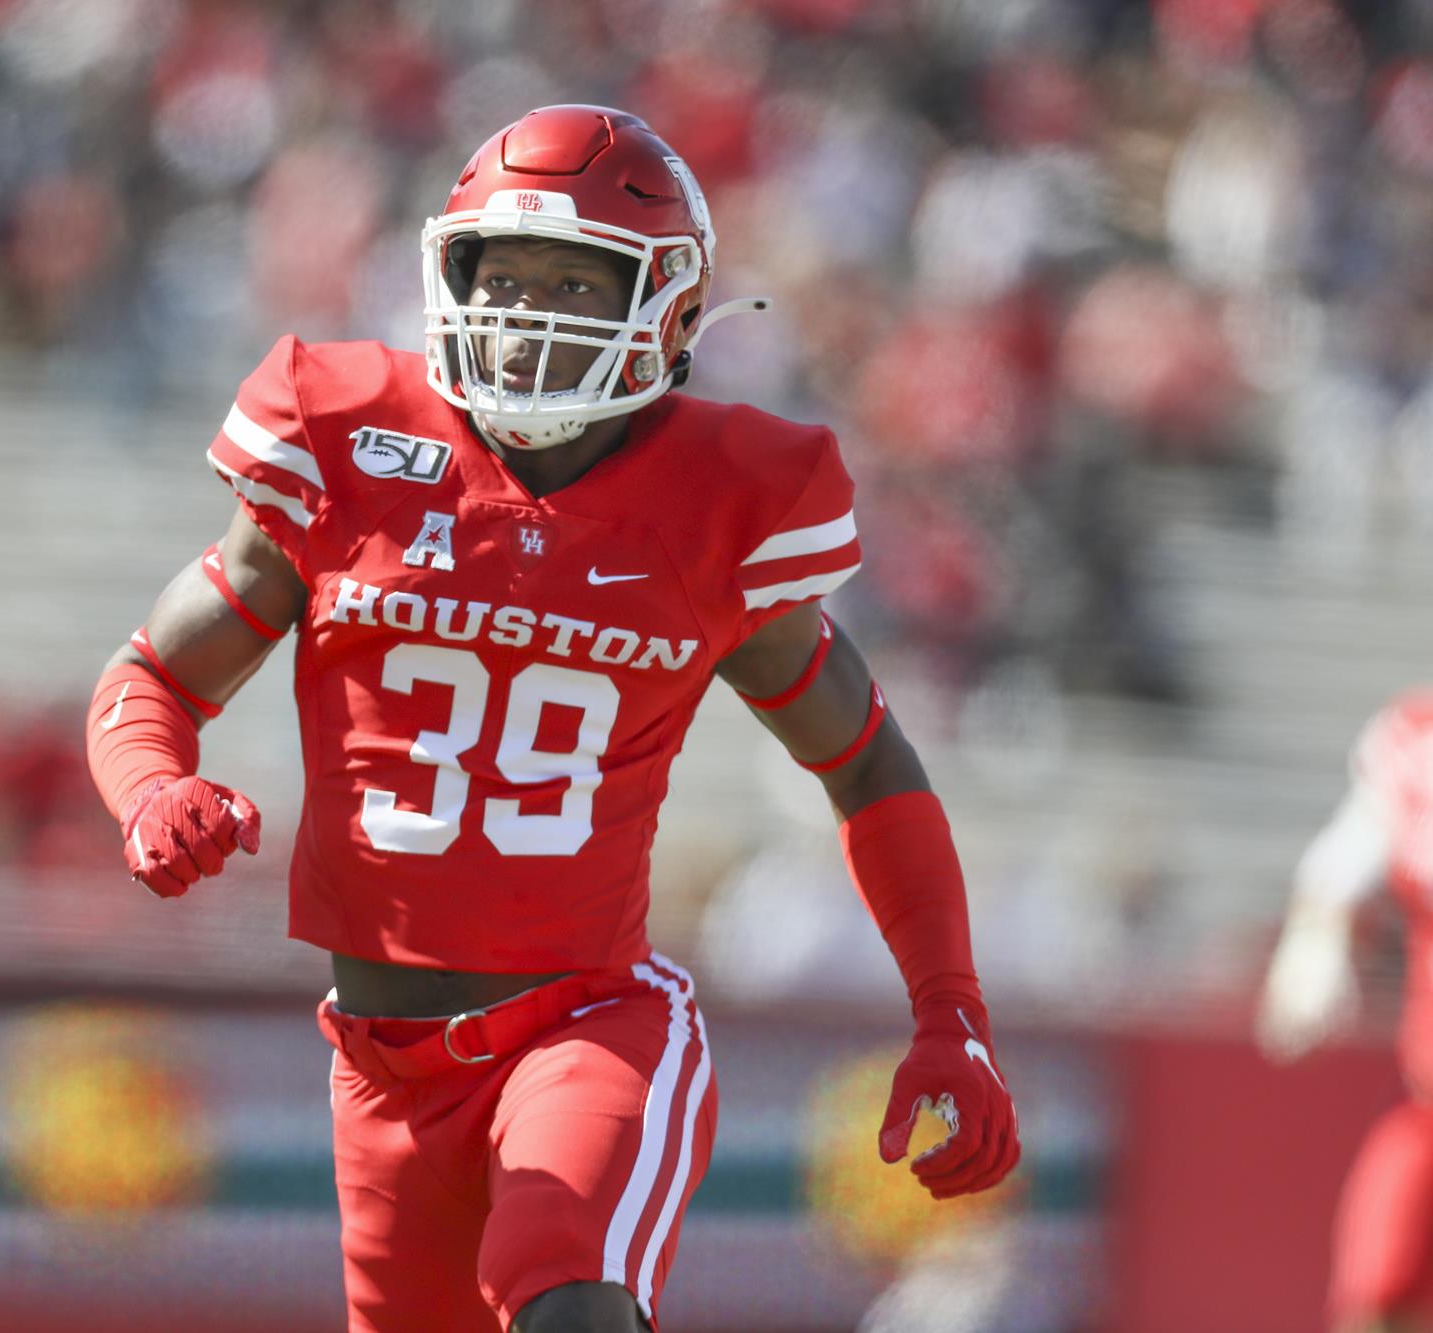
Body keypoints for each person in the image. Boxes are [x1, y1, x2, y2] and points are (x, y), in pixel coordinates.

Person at [85, 105, 1021, 1333]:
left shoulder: (718, 502)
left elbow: (865, 763)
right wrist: (151, 786)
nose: (526, 318)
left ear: (670, 309)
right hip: (379, 1066)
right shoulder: (346, 438)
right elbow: (152, 677)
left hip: (587, 1024)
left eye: (576, 281)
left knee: (563, 1285)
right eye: (503, 274)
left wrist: (949, 1010)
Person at [1259, 688, 1433, 1333]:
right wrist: (1315, 942)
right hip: (1427, 1110)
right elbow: (1343, 859)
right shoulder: (1417, 742)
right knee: (1377, 1297)